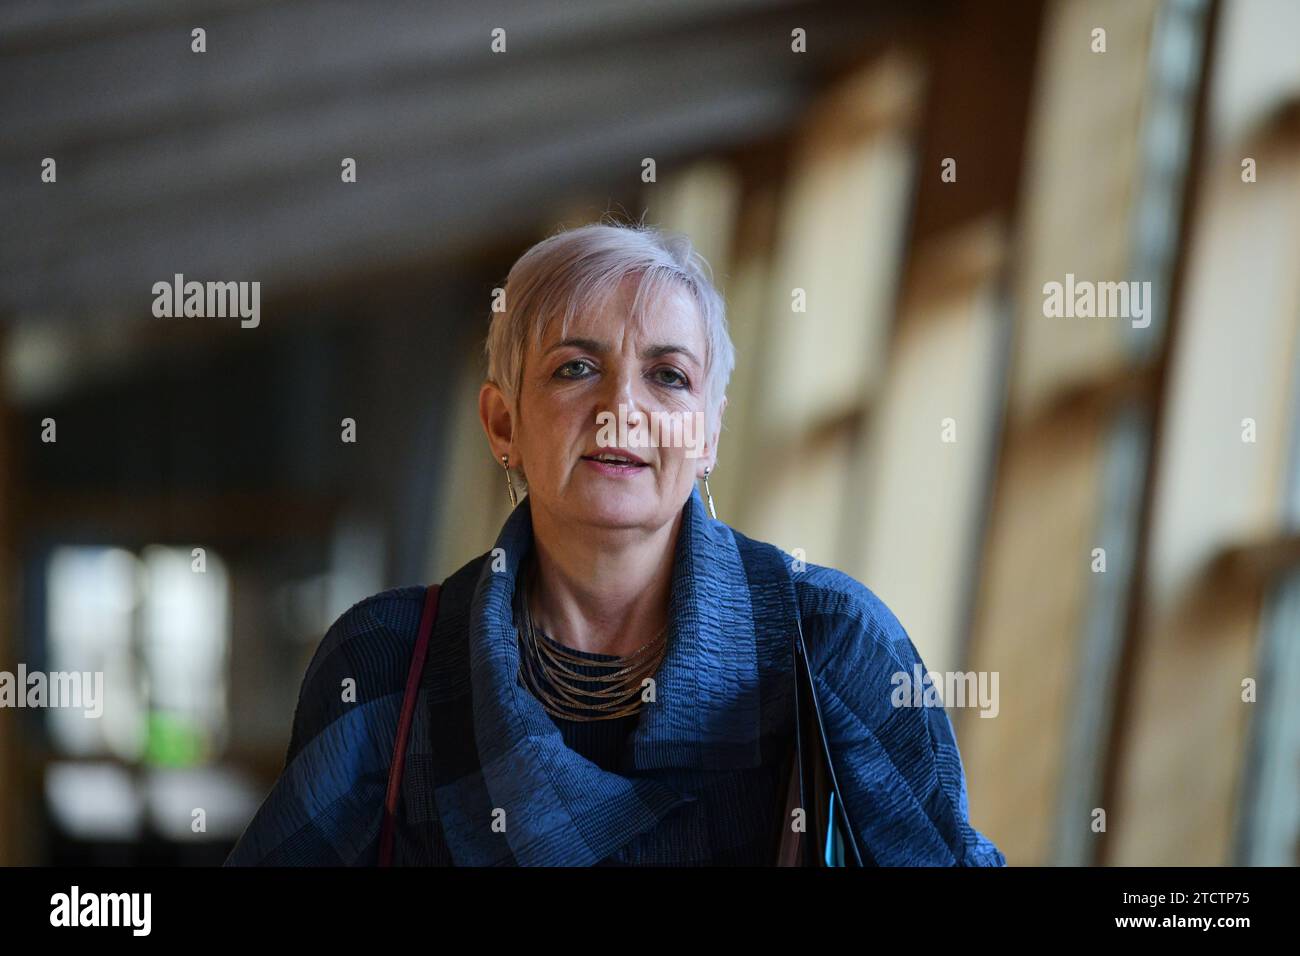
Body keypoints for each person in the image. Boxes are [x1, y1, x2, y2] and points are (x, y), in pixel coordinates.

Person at [224, 220, 1006, 866]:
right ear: (503, 424)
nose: (622, 410)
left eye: (668, 376)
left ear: (707, 431)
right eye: (575, 368)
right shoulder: (388, 662)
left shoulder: (831, 646)